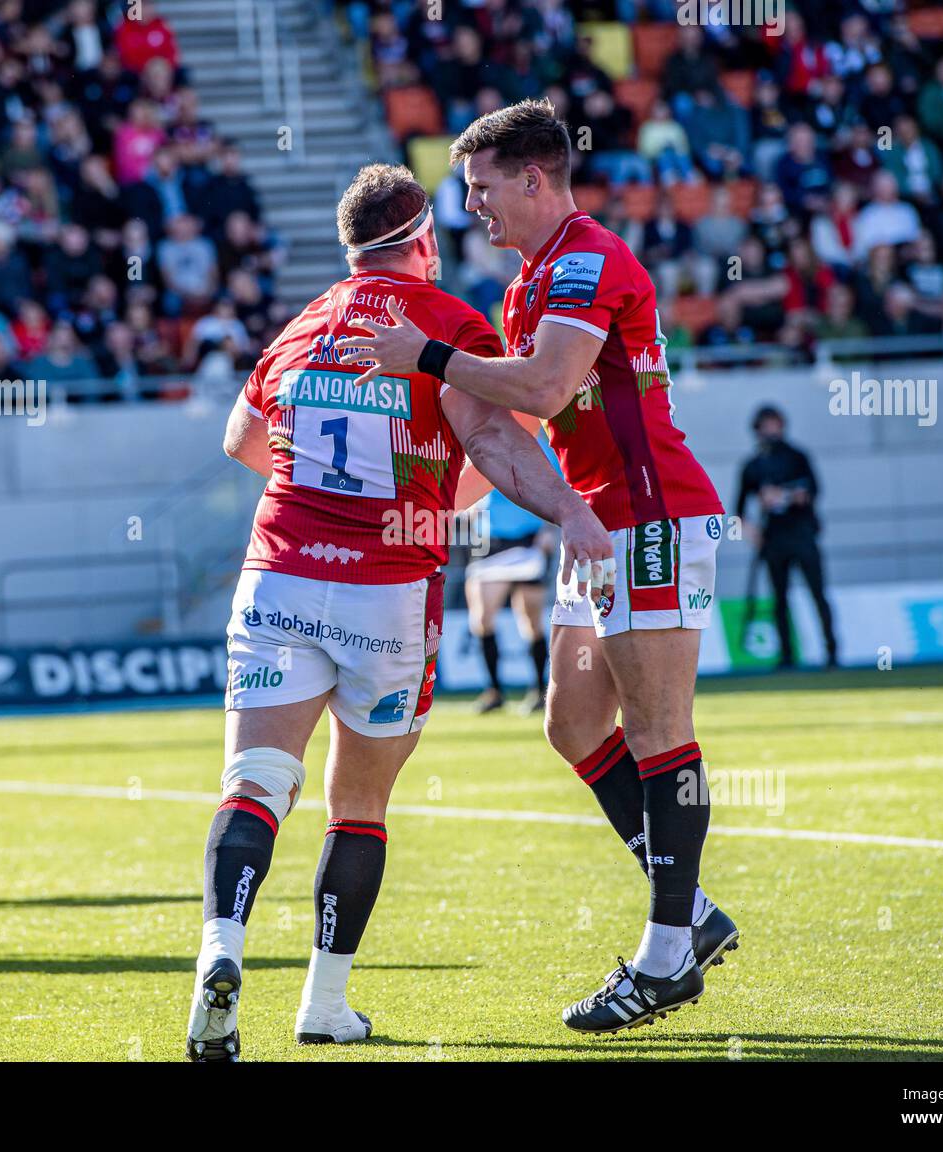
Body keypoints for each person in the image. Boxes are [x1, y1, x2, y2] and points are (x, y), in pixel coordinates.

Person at [186, 163, 612, 1062]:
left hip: (281, 575)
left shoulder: (302, 325)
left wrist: (325, 496)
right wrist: (569, 509)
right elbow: (493, 440)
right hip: (386, 592)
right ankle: (324, 1003)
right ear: (422, 240)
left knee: (255, 785)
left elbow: (241, 441)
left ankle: (219, 955)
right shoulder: (445, 322)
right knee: (359, 804)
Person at [337, 99, 739, 1035]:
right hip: (594, 524)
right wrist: (412, 503)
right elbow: (511, 439)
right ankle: (692, 913)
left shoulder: (588, 256)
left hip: (651, 515)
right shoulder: (529, 285)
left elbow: (548, 385)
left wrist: (428, 357)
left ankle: (666, 953)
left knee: (657, 728)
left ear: (534, 179)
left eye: (479, 189)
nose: (470, 207)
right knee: (571, 722)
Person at [735, 406, 838, 669]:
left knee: (818, 594)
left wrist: (783, 496)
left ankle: (832, 652)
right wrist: (750, 534)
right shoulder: (752, 465)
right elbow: (737, 512)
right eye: (766, 426)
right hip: (774, 539)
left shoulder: (797, 457)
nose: (771, 431)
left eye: (775, 424)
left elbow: (813, 491)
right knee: (779, 599)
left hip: (802, 534)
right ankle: (787, 655)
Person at [464, 480, 554, 715]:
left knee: (531, 622)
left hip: (528, 540)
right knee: (481, 620)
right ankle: (494, 691)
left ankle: (539, 690)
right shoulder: (475, 449)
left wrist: (547, 528)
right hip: (489, 543)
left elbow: (554, 487)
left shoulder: (541, 446)